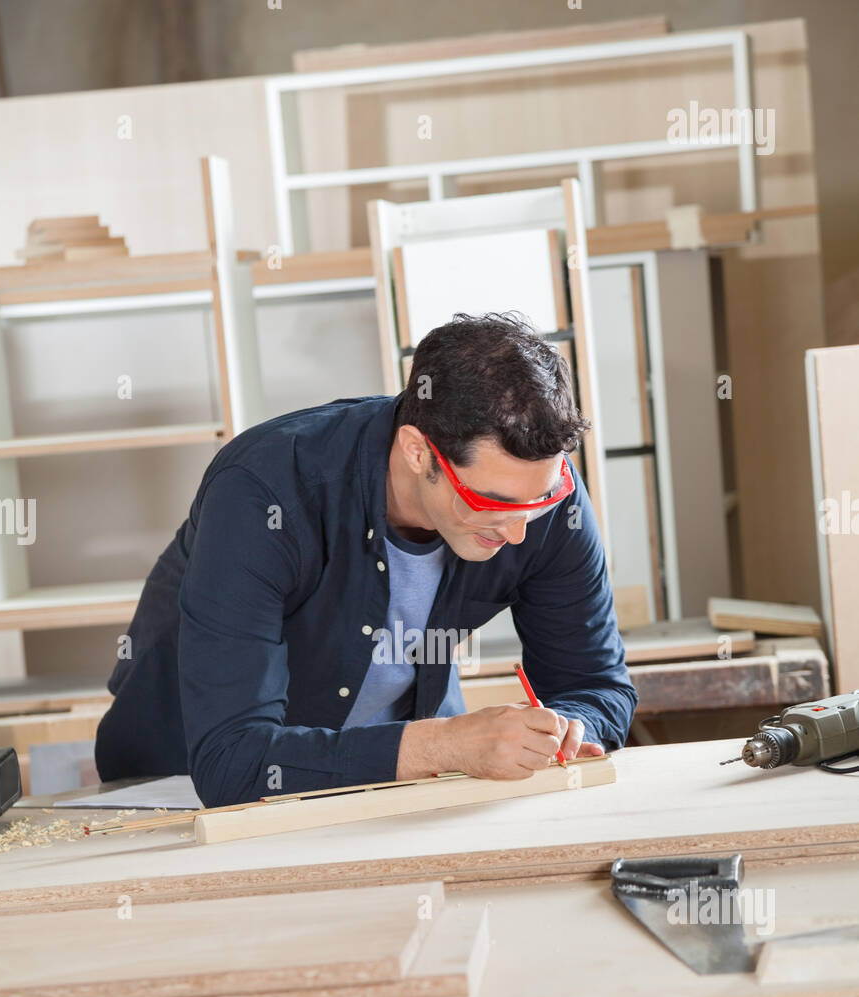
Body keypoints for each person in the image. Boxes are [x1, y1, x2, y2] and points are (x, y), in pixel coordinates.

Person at [95, 313, 637, 807]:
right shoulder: (265, 492)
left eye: (540, 499)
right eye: (491, 504)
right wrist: (446, 745)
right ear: (417, 451)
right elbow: (233, 763)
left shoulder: (538, 493)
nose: (520, 531)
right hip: (180, 788)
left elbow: (598, 685)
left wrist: (566, 728)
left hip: (402, 778)